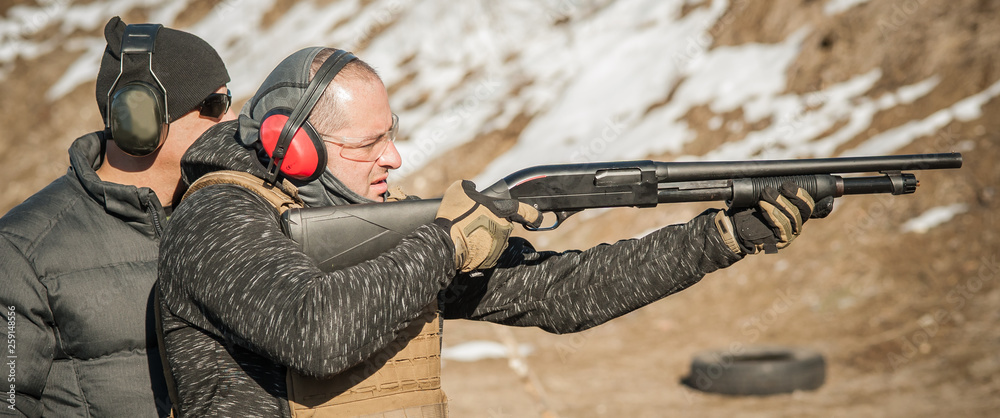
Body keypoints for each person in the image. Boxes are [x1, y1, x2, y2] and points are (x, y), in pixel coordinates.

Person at [156, 47, 823, 417]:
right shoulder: (217, 220)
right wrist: (446, 241)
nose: (394, 157)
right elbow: (317, 332)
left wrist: (720, 239)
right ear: (293, 144)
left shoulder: (367, 231)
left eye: (392, 135)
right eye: (371, 144)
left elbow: (562, 293)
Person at [0, 16, 232, 417]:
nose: (230, 120)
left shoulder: (225, 212)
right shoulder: (21, 250)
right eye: (215, 106)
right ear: (141, 116)